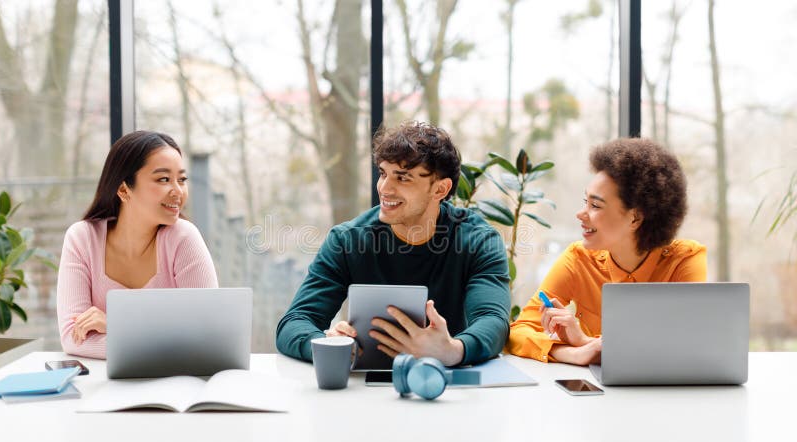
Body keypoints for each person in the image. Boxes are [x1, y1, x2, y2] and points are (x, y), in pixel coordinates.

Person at [276, 121, 510, 367]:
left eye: (403, 178)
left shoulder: (479, 241)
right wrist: (328, 344)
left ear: (440, 189)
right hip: (361, 388)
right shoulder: (347, 240)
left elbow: (492, 320)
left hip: (446, 382)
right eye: (383, 173)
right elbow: (294, 322)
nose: (384, 188)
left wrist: (453, 350)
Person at [507, 138, 706, 365]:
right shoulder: (578, 259)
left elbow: (685, 345)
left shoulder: (685, 261)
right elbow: (519, 331)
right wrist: (570, 353)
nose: (581, 214)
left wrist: (584, 342)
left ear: (635, 218)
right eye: (586, 202)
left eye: (596, 206)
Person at [56, 130, 218, 359]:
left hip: (176, 384)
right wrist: (164, 342)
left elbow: (207, 334)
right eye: (163, 179)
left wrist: (118, 325)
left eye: (181, 179)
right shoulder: (82, 239)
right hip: (104, 385)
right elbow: (74, 338)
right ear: (123, 189)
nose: (178, 191)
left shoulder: (184, 238)